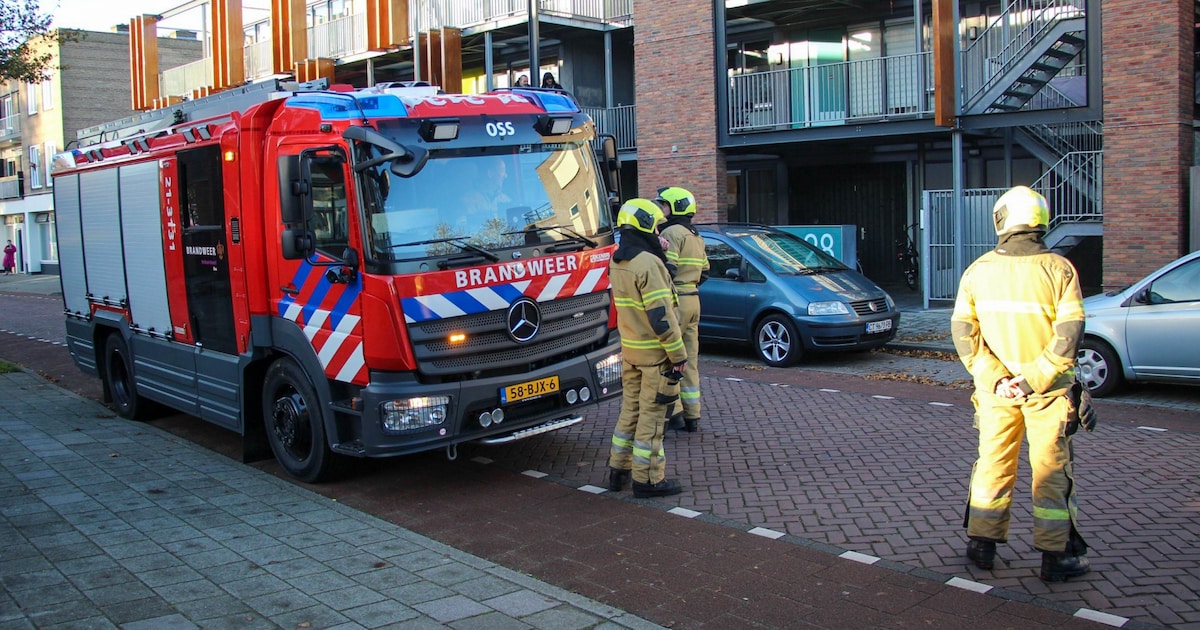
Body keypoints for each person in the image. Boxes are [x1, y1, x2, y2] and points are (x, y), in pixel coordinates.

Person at [951, 185, 1090, 583]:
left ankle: (982, 545)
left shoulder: (977, 271)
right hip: (1047, 393)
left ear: (1001, 219)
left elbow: (963, 332)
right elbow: (1069, 334)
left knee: (993, 466)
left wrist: (997, 379)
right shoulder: (1060, 270)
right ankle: (1057, 558)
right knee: (1050, 472)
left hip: (996, 394)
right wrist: (1032, 380)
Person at [606, 198, 688, 499]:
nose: (658, 233)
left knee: (629, 413)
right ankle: (649, 479)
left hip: (631, 354)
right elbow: (662, 318)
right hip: (656, 358)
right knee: (653, 420)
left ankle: (618, 471)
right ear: (643, 226)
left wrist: (660, 251)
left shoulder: (619, 261)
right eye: (655, 227)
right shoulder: (649, 265)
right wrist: (679, 357)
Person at [656, 187, 709, 433]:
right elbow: (706, 272)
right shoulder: (696, 236)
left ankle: (674, 414)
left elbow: (669, 269)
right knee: (691, 360)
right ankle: (693, 416)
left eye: (664, 205)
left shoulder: (671, 233)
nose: (662, 210)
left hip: (676, 301)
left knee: (670, 360)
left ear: (675, 207)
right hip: (694, 300)